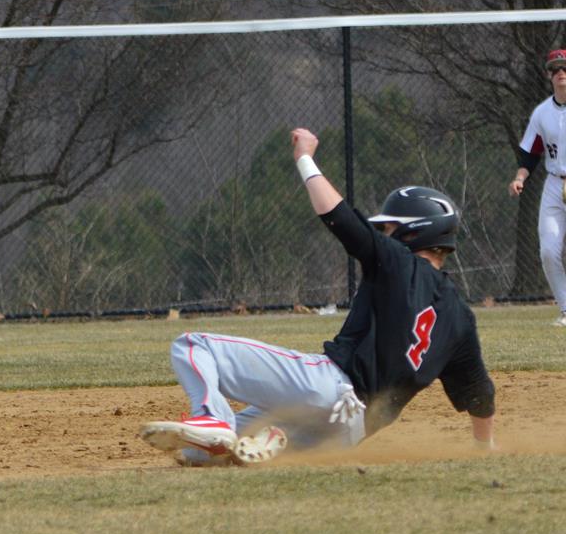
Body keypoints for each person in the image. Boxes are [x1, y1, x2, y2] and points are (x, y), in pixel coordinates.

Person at [140, 127, 497, 467]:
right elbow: (479, 395)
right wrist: (484, 448)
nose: (382, 235)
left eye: (388, 229)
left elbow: (340, 219)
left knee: (192, 346)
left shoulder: (397, 261)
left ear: (412, 232)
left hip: (329, 389)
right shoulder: (460, 317)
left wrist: (305, 157)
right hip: (350, 432)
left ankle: (211, 418)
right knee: (203, 455)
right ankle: (269, 437)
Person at [510, 48, 566, 327]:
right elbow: (530, 154)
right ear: (548, 75)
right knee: (548, 250)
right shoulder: (542, 113)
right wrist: (520, 178)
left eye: (564, 67)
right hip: (555, 183)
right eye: (555, 69)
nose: (561, 73)